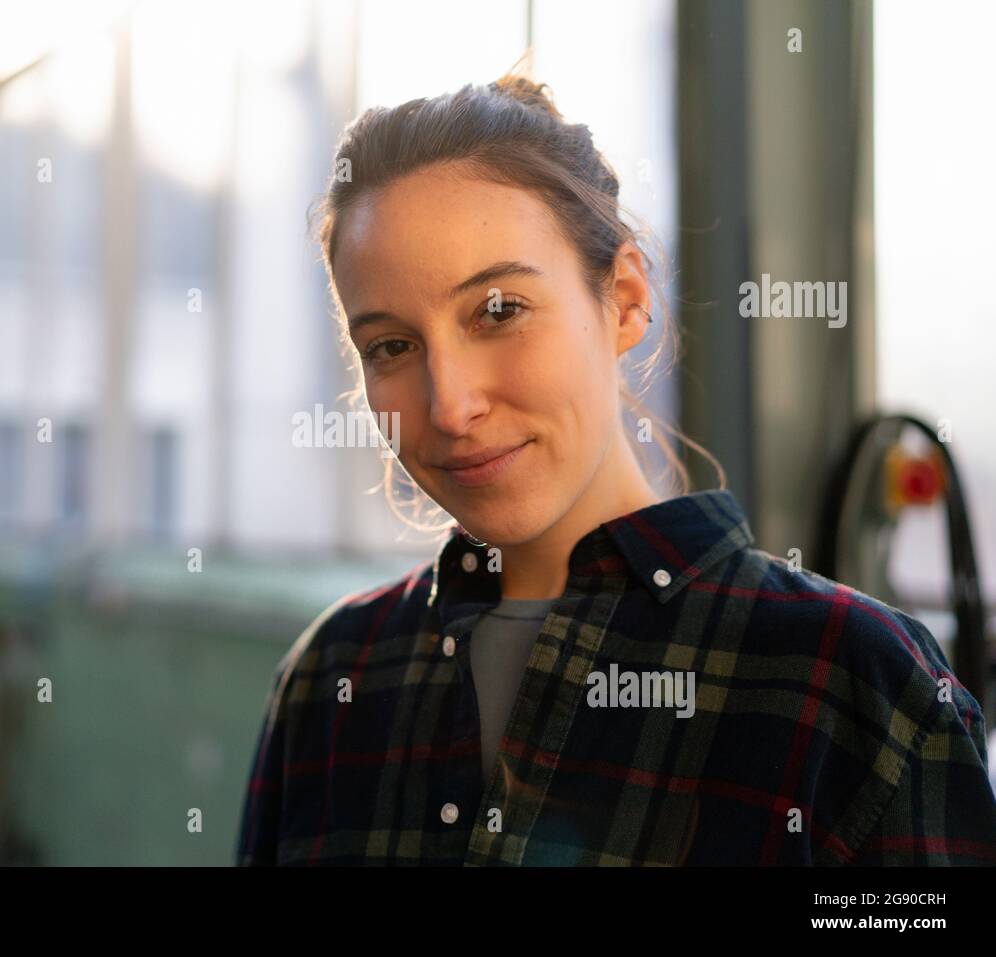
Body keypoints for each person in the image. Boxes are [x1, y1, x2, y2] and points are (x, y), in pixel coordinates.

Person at [235, 70, 996, 866]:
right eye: (391, 346)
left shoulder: (857, 687)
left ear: (626, 298)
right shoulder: (332, 680)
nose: (451, 405)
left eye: (499, 311)